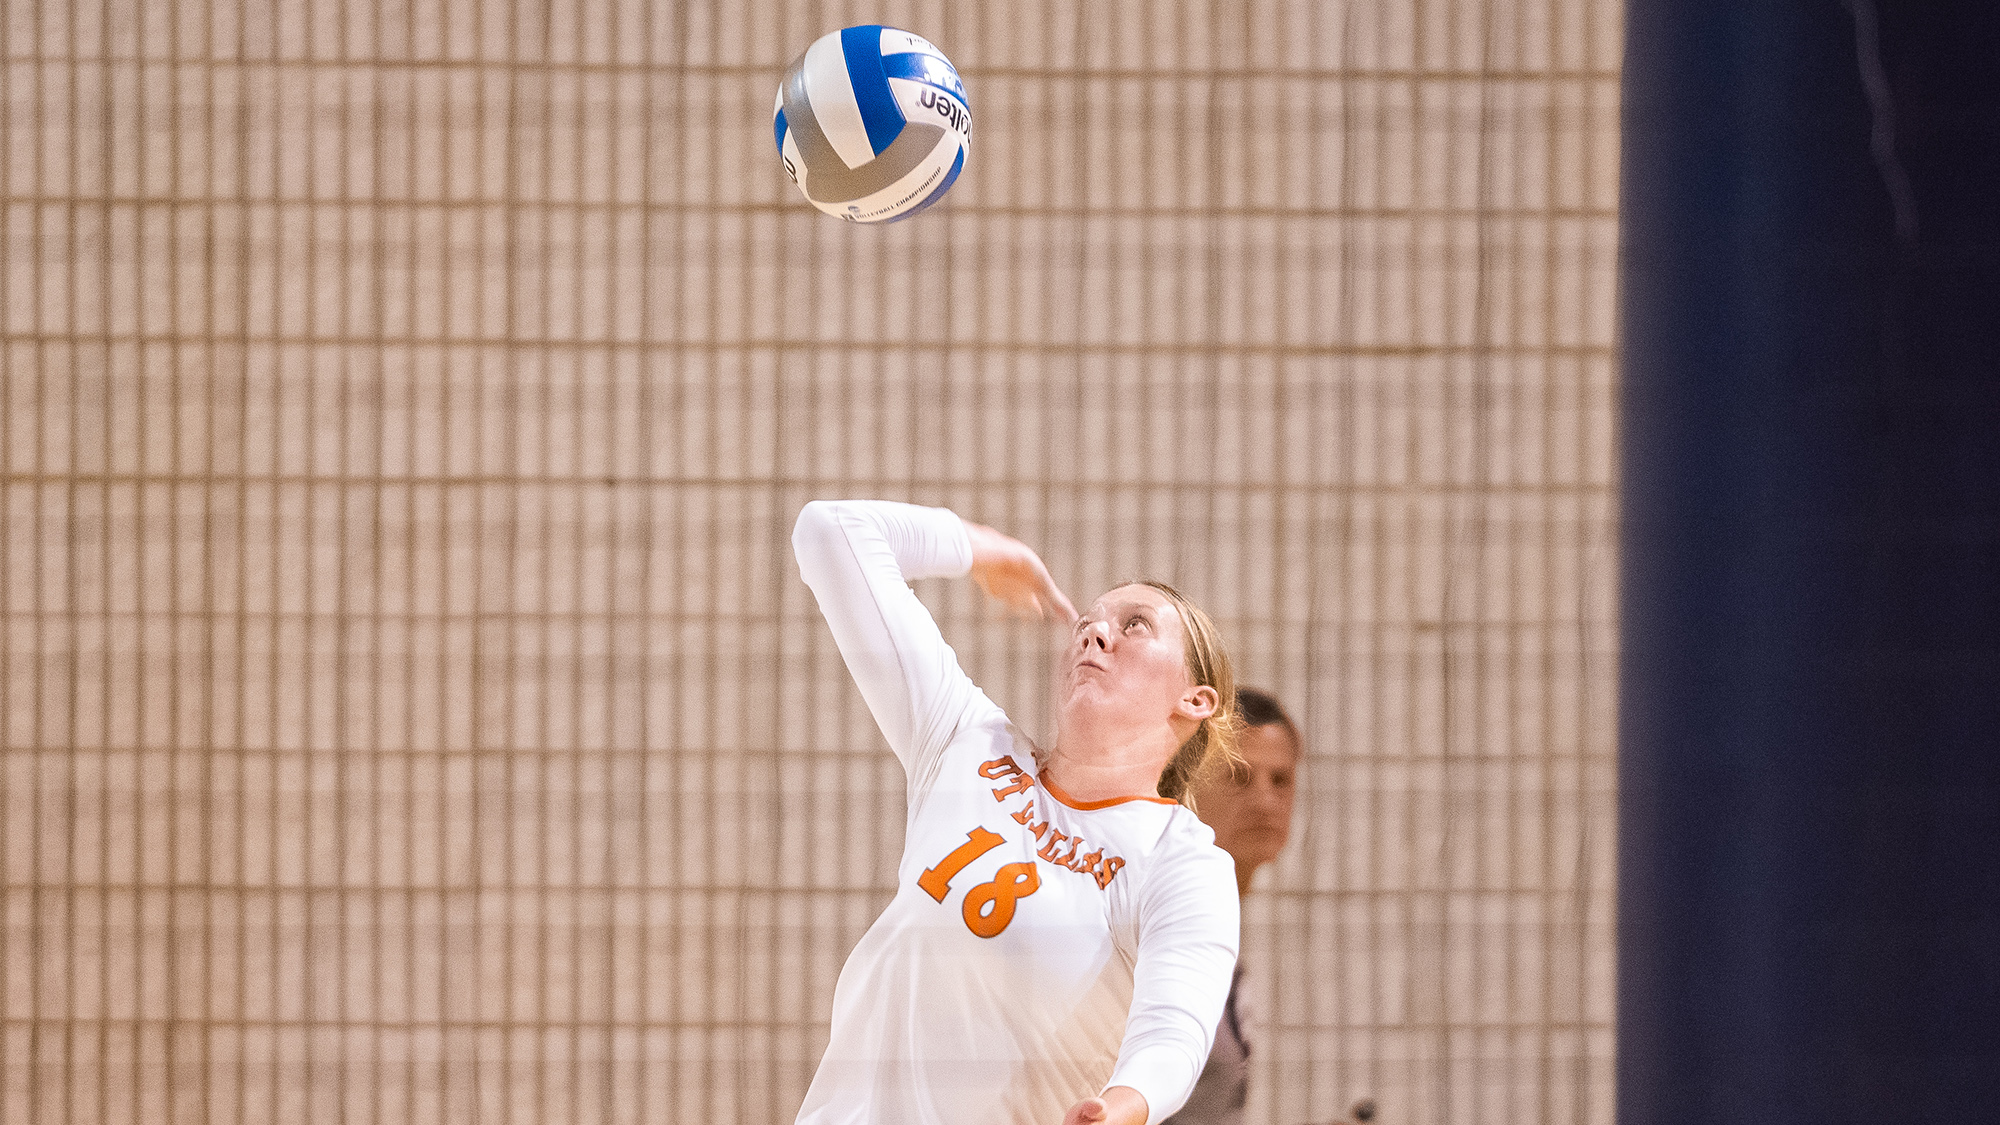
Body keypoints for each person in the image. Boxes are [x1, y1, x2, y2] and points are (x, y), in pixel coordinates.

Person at [790, 499, 1244, 1125]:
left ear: (1196, 700)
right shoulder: (964, 742)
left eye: (1135, 625)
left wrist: (1121, 1108)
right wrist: (980, 547)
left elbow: (1175, 1031)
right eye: (1089, 621)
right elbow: (831, 533)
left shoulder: (1181, 860)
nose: (1095, 632)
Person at [1160, 687, 1303, 1125]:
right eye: (1240, 777)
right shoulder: (1158, 929)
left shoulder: (1222, 926)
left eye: (1280, 780)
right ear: (1187, 786)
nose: (1265, 801)